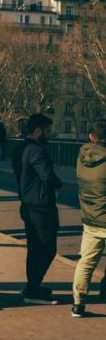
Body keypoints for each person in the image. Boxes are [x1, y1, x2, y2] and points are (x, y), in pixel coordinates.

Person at [11, 113, 63, 305]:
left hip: (28, 203)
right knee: (47, 248)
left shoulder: (21, 148)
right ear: (38, 130)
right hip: (41, 207)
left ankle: (33, 285)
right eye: (48, 131)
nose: (50, 135)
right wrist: (59, 183)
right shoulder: (36, 151)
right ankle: (33, 289)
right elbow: (47, 176)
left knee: (35, 248)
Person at [71, 118, 106, 317]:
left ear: (91, 137)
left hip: (91, 219)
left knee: (86, 263)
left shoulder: (82, 156)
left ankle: (78, 303)